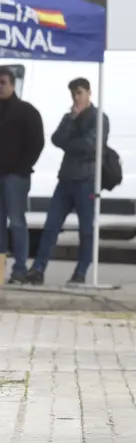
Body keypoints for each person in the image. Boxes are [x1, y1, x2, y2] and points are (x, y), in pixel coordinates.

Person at [25, 77, 108, 286]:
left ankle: (80, 272)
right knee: (51, 226)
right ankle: (38, 269)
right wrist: (72, 119)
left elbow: (91, 145)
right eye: (73, 94)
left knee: (86, 230)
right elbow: (56, 139)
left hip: (87, 180)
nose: (76, 98)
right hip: (66, 179)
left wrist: (69, 143)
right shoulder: (69, 117)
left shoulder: (99, 118)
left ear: (89, 93)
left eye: (80, 93)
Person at [0, 67, 44, 284]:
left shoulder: (26, 111)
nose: (0, 87)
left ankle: (19, 269)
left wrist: (21, 166)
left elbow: (37, 142)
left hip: (16, 177)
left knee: (16, 221)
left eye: (3, 82)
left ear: (13, 84)